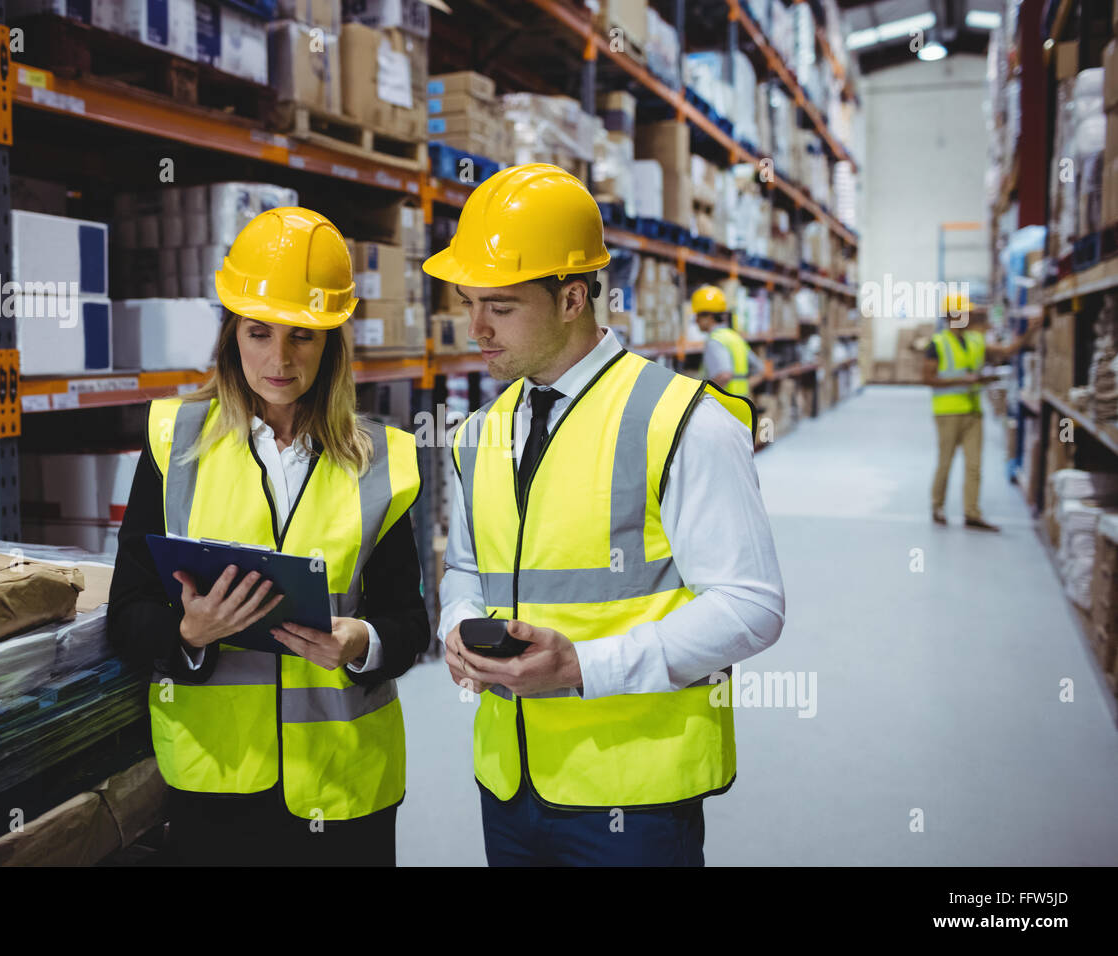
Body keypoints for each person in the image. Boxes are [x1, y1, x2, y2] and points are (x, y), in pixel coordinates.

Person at [423, 163, 786, 866]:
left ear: (572, 298)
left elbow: (752, 605)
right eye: (469, 303)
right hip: (508, 781)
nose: (476, 329)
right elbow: (466, 569)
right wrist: (454, 629)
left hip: (633, 793)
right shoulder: (478, 432)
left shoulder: (682, 421)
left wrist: (586, 667)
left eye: (499, 307)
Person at [106, 207, 428, 866]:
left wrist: (361, 642)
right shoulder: (174, 446)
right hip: (220, 787)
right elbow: (127, 614)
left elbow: (410, 623)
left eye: (303, 337)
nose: (280, 359)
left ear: (333, 342)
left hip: (344, 788)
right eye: (259, 333)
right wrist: (187, 636)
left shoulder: (382, 461)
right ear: (231, 336)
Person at [924, 292, 1039, 531]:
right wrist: (962, 380)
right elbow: (928, 378)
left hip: (973, 411)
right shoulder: (936, 344)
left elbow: (1006, 351)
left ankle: (972, 513)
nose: (969, 316)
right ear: (952, 316)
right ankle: (937, 506)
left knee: (974, 465)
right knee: (945, 462)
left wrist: (1031, 330)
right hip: (947, 412)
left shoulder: (976, 341)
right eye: (965, 312)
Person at [692, 284, 765, 396]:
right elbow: (760, 371)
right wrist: (742, 391)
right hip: (739, 407)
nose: (696, 321)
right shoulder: (734, 337)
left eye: (698, 316)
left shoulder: (715, 341)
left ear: (710, 317)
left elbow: (724, 375)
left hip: (723, 408)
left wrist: (703, 397)